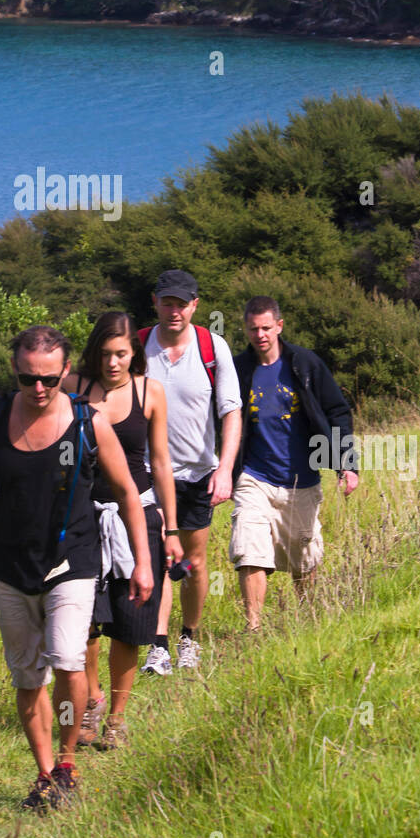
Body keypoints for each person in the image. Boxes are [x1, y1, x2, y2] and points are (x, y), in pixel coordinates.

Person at [0, 324, 153, 812]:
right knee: (28, 677)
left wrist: (142, 561)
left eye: (49, 379)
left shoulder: (87, 424)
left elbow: (127, 493)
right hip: (8, 567)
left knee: (68, 658)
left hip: (72, 561)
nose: (38, 388)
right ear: (15, 370)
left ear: (66, 373)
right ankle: (45, 773)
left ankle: (68, 764)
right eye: (28, 377)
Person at [62, 312, 179, 750]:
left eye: (122, 355)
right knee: (86, 621)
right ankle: (90, 702)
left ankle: (117, 716)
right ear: (95, 352)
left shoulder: (151, 392)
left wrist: (171, 527)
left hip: (138, 517)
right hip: (83, 517)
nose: (113, 363)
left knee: (130, 624)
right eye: (106, 354)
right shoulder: (74, 387)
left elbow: (162, 462)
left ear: (135, 354)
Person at [230, 296, 359, 630]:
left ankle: (307, 621)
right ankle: (253, 628)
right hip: (253, 477)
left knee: (304, 558)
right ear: (246, 328)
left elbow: (337, 411)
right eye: (253, 328)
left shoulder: (304, 363)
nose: (260, 335)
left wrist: (346, 463)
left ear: (279, 326)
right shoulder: (238, 369)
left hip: (302, 478)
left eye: (266, 328)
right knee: (249, 549)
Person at [138, 270, 243, 675]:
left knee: (195, 562)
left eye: (182, 303)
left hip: (200, 473)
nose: (174, 310)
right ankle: (157, 646)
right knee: (162, 556)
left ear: (195, 305)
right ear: (155, 302)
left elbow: (230, 410)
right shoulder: (138, 346)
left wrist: (225, 468)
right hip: (149, 473)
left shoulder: (212, 348)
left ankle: (190, 639)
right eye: (167, 302)